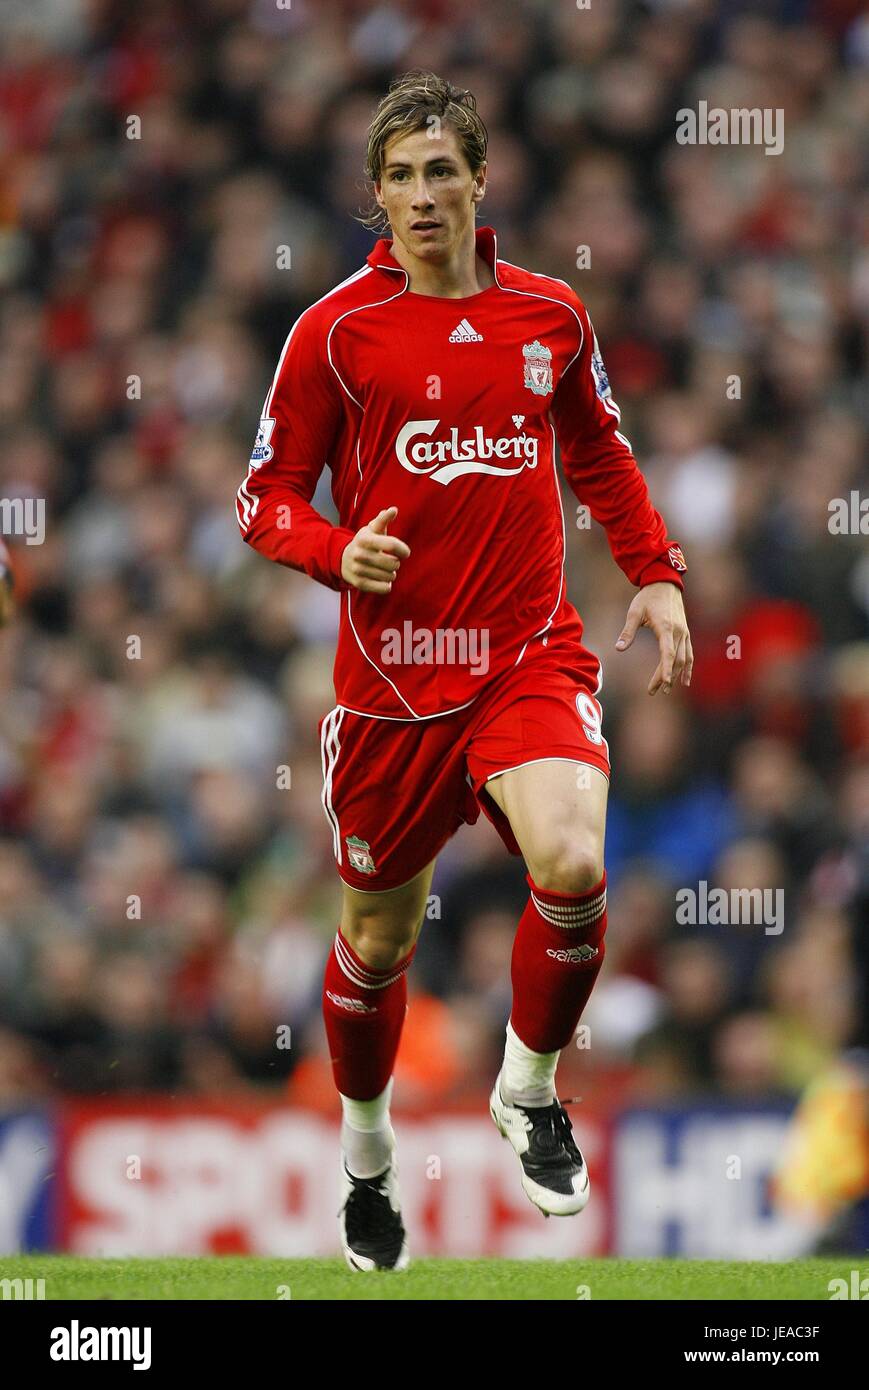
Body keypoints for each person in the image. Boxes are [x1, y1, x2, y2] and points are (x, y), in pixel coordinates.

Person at [236, 70, 692, 1271]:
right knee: (376, 947)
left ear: (480, 180)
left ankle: (529, 1087)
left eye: (443, 171)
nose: (423, 195)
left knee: (575, 859)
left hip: (524, 656)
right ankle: (366, 1156)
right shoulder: (333, 334)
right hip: (389, 688)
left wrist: (652, 569)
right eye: (400, 176)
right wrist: (339, 552)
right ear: (373, 195)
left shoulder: (549, 317)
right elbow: (262, 499)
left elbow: (597, 446)